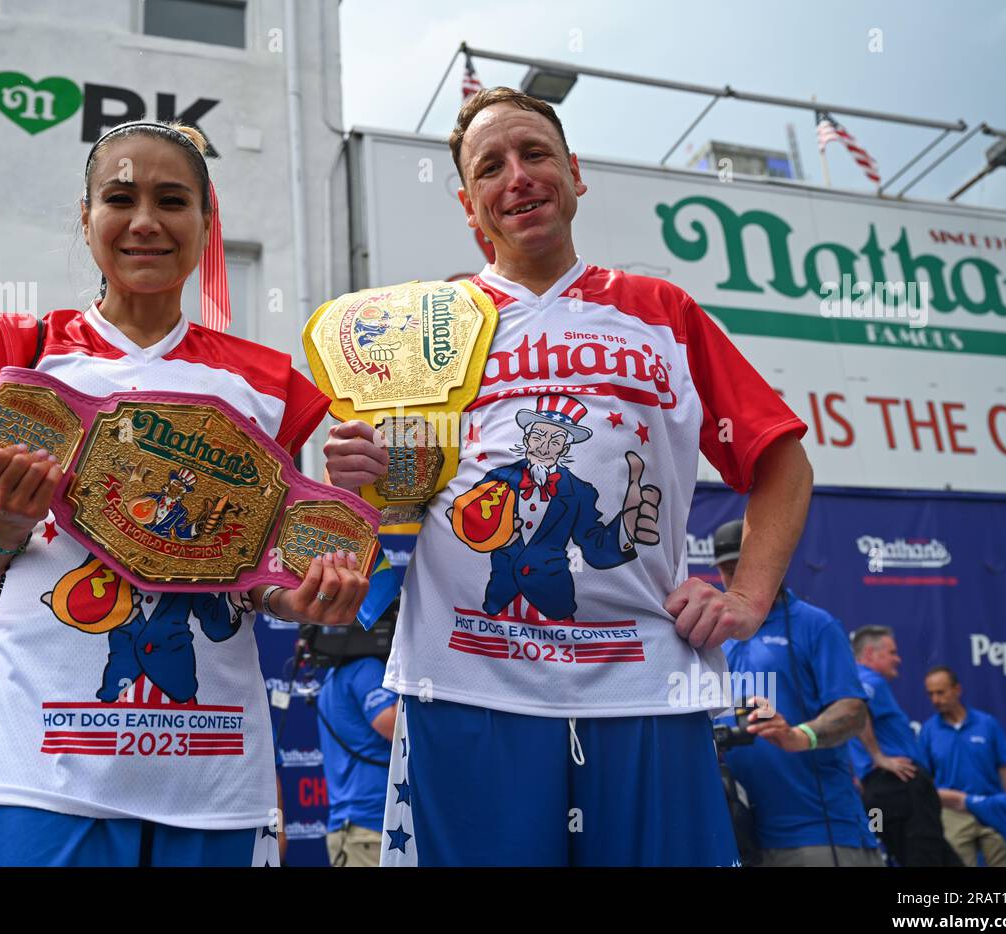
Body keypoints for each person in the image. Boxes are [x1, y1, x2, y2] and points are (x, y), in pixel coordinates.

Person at [324, 87, 813, 866]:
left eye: (535, 154)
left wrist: (749, 596)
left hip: (644, 681)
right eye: (491, 167)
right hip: (466, 685)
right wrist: (364, 477)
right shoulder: (426, 330)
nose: (516, 176)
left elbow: (781, 456)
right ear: (469, 204)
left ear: (574, 174)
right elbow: (401, 502)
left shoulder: (661, 310)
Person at [0, 120, 368, 867]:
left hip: (213, 775)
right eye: (120, 197)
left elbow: (259, 573)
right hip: (42, 773)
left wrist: (294, 597)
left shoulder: (267, 387)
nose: (145, 221)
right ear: (86, 217)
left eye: (172, 200)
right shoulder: (16, 353)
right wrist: (4, 522)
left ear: (206, 224)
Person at [713, 519, 879, 867]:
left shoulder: (816, 625)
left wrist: (798, 735)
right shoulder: (717, 637)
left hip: (817, 834)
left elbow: (853, 711)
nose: (735, 580)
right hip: (740, 837)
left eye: (743, 569)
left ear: (772, 564)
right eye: (728, 571)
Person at [849, 626, 960, 866]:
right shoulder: (869, 681)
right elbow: (857, 707)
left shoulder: (848, 681)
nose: (898, 659)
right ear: (870, 653)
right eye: (892, 652)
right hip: (903, 786)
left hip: (882, 788)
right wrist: (878, 758)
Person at [919, 666, 1006, 866]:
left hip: (991, 807)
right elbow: (924, 780)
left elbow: (1005, 768)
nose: (935, 700)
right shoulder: (928, 731)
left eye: (941, 692)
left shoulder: (987, 724)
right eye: (930, 694)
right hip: (952, 814)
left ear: (957, 690)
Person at [316, 653, 397, 867]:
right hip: (369, 827)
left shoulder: (336, 673)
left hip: (358, 828)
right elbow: (394, 725)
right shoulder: (366, 668)